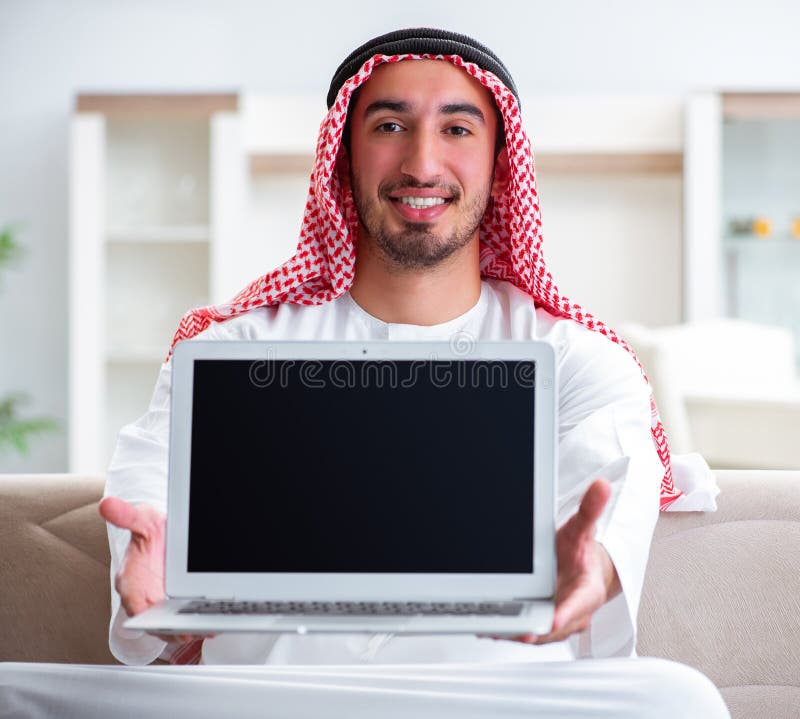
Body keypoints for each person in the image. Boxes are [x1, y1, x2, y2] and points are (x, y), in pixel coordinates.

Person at [0, 28, 728, 718]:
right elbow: (148, 499)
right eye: (388, 125)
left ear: (500, 159)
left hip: (494, 699)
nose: (420, 163)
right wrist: (148, 590)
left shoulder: (579, 360)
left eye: (456, 127)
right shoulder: (232, 348)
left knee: (679, 699)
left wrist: (593, 571)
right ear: (344, 156)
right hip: (274, 699)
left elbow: (615, 495)